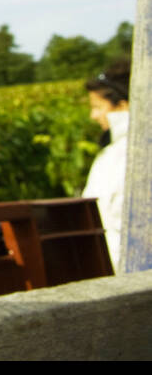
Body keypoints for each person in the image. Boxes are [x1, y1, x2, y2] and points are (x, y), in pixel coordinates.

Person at [83, 57, 130, 270]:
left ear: (123, 105)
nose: (93, 115)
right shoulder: (112, 153)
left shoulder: (123, 155)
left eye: (98, 106)